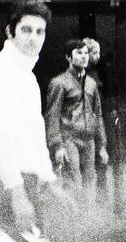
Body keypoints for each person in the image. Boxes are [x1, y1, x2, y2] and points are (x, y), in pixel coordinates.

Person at [0, 0, 59, 242]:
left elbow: (34, 136)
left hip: (19, 181)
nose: (33, 38)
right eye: (26, 30)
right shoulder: (3, 73)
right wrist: (18, 195)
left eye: (40, 31)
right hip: (0, 183)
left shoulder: (24, 75)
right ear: (10, 32)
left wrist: (49, 178)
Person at [45, 38, 107, 205]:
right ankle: (74, 223)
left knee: (90, 180)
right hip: (69, 138)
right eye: (78, 53)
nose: (84, 57)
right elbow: (52, 116)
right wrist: (57, 146)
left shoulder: (92, 84)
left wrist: (102, 146)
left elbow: (98, 114)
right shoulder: (59, 83)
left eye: (86, 53)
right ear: (68, 57)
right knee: (73, 180)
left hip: (89, 140)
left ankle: (89, 220)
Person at [84, 38, 124, 214]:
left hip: (107, 116)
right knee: (97, 160)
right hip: (93, 119)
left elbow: (111, 94)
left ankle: (117, 201)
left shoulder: (104, 70)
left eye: (98, 52)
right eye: (94, 52)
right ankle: (101, 199)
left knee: (114, 157)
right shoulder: (82, 74)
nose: (97, 56)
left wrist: (114, 113)